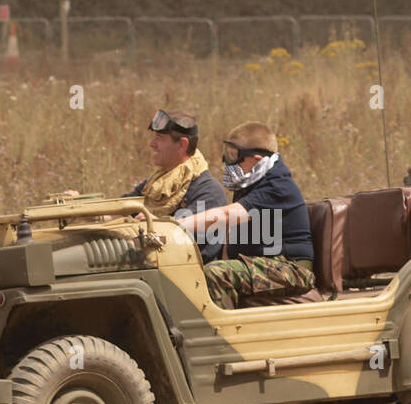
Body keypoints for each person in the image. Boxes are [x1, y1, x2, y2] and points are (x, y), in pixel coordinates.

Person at [176, 121, 315, 309]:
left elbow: (227, 215)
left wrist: (176, 224)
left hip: (292, 269)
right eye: (227, 154)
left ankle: (221, 334)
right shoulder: (251, 181)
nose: (228, 162)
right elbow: (231, 229)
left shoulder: (277, 186)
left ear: (256, 159)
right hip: (264, 263)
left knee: (217, 273)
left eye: (234, 156)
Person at [125, 110, 227, 264]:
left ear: (182, 144)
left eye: (159, 138)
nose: (151, 144)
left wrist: (158, 225)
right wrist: (85, 210)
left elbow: (182, 243)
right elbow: (121, 208)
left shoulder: (208, 192)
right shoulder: (158, 183)